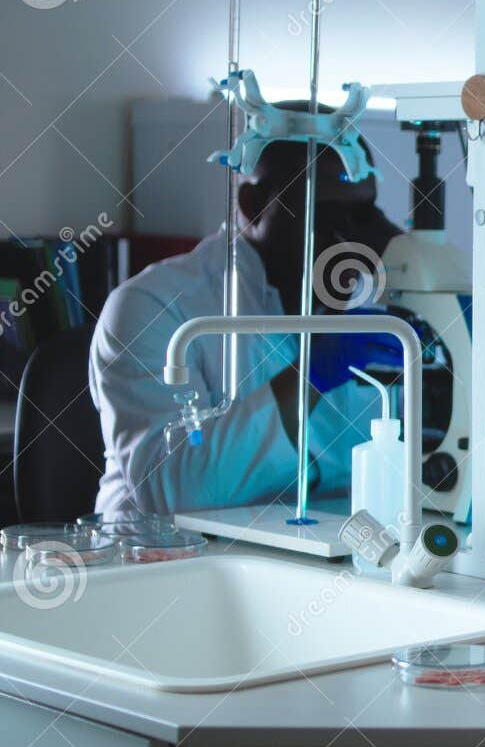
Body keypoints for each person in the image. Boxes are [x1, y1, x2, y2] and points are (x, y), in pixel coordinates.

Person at [91, 121, 404, 514]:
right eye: (326, 215)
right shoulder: (154, 306)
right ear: (253, 207)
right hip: (167, 560)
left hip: (310, 549)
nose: (349, 241)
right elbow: (170, 489)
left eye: (362, 216)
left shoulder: (355, 309)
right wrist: (309, 375)